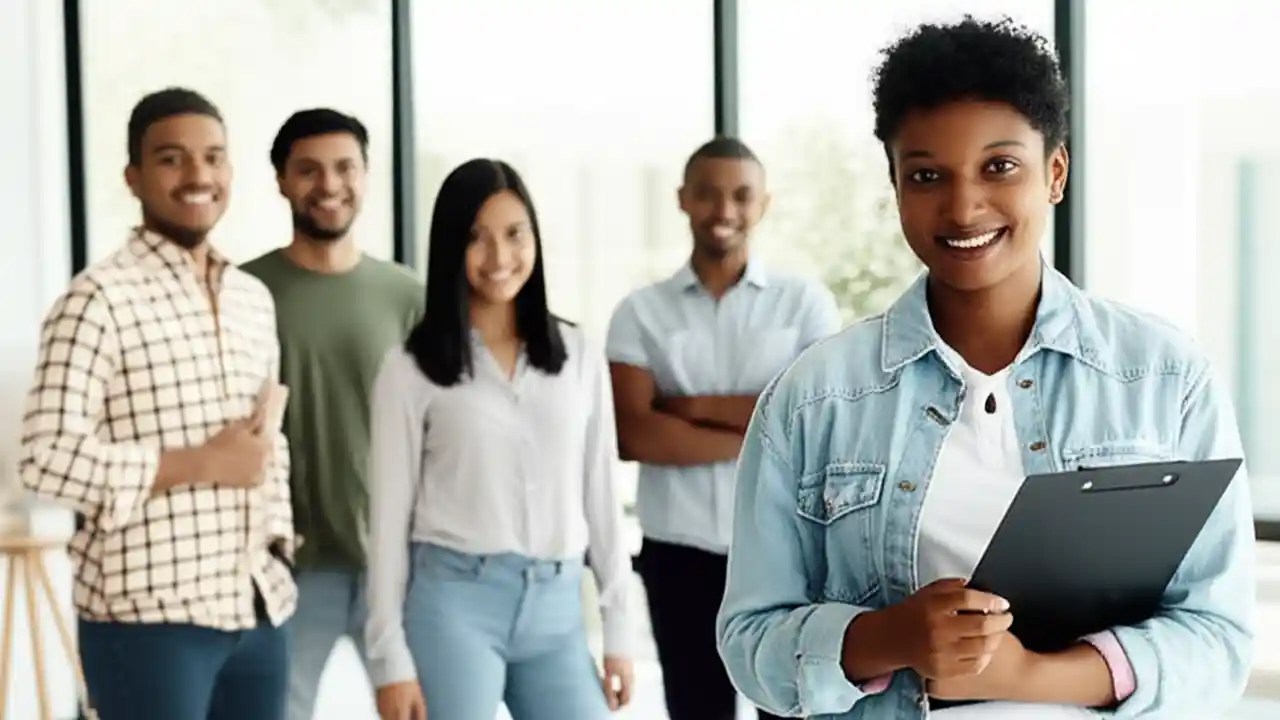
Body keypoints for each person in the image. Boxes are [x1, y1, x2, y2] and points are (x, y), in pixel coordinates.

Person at [716, 16, 1255, 719]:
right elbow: (749, 640)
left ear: (1054, 172)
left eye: (999, 166)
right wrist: (886, 638)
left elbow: (1219, 639)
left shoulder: (1166, 379)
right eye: (927, 175)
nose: (963, 204)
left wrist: (1031, 674)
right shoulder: (815, 398)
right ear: (896, 186)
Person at [18, 88, 297, 720]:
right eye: (172, 159)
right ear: (134, 177)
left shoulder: (254, 299)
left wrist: (278, 547)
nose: (198, 175)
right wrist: (197, 463)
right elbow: (44, 460)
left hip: (257, 609)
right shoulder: (96, 301)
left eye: (214, 157)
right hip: (146, 620)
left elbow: (266, 443)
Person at [365, 159, 636, 720]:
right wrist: (389, 657)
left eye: (515, 234)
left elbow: (602, 499)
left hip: (559, 609)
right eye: (476, 238)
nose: (499, 257)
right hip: (453, 602)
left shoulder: (578, 354)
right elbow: (387, 520)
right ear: (449, 249)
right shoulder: (410, 369)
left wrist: (618, 630)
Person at [606, 137, 841, 720]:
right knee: (695, 710)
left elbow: (813, 421)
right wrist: (764, 436)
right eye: (708, 194)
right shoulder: (640, 312)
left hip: (785, 552)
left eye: (741, 195)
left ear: (764, 204)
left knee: (792, 709)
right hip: (679, 553)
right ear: (684, 200)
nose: (724, 210)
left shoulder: (804, 303)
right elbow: (635, 434)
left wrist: (686, 407)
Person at [242, 108, 424, 720]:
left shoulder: (408, 296)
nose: (329, 184)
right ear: (281, 180)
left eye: (345, 167)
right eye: (309, 170)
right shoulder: (244, 292)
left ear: (367, 175)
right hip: (290, 568)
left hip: (398, 565)